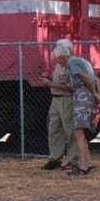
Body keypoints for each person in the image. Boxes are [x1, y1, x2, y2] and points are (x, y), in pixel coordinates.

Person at [51, 39, 100, 175]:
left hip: (82, 97)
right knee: (82, 133)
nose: (58, 63)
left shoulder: (71, 63)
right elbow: (96, 79)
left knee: (78, 132)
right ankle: (88, 162)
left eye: (58, 60)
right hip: (88, 97)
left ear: (62, 57)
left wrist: (95, 94)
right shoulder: (83, 61)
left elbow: (85, 78)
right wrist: (99, 95)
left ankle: (83, 166)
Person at [39, 39, 77, 170]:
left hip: (67, 100)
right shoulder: (58, 65)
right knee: (54, 128)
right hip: (55, 99)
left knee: (70, 129)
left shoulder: (73, 65)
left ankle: (73, 159)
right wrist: (47, 79)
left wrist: (51, 84)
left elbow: (72, 87)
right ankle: (55, 157)